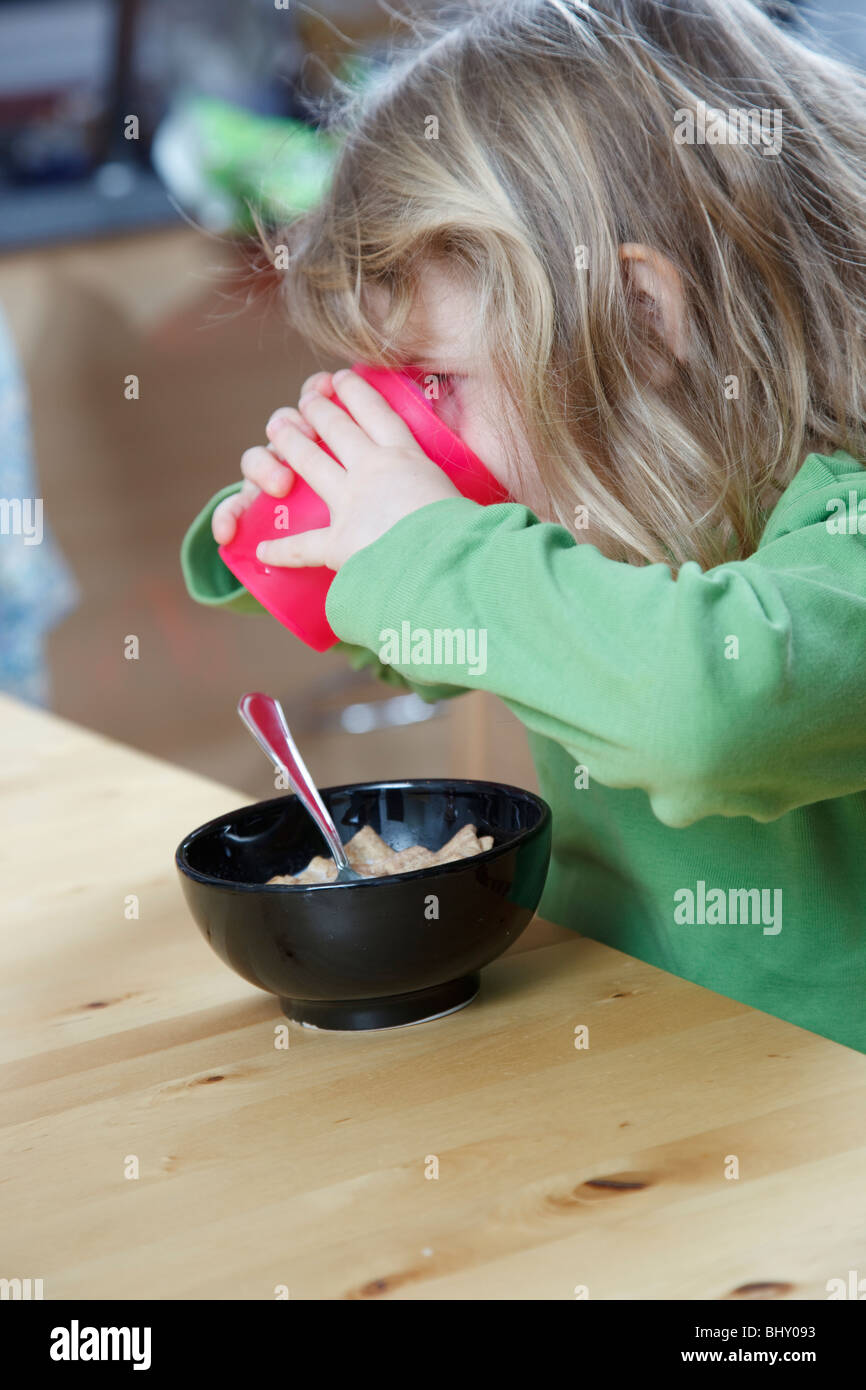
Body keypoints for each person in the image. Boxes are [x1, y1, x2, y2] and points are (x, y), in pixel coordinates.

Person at [181, 0, 866, 1052]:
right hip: (621, 1058)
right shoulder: (605, 502)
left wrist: (415, 544)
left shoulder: (843, 532)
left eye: (432, 379)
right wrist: (311, 523)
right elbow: (463, 629)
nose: (412, 413)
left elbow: (707, 717)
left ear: (638, 321)